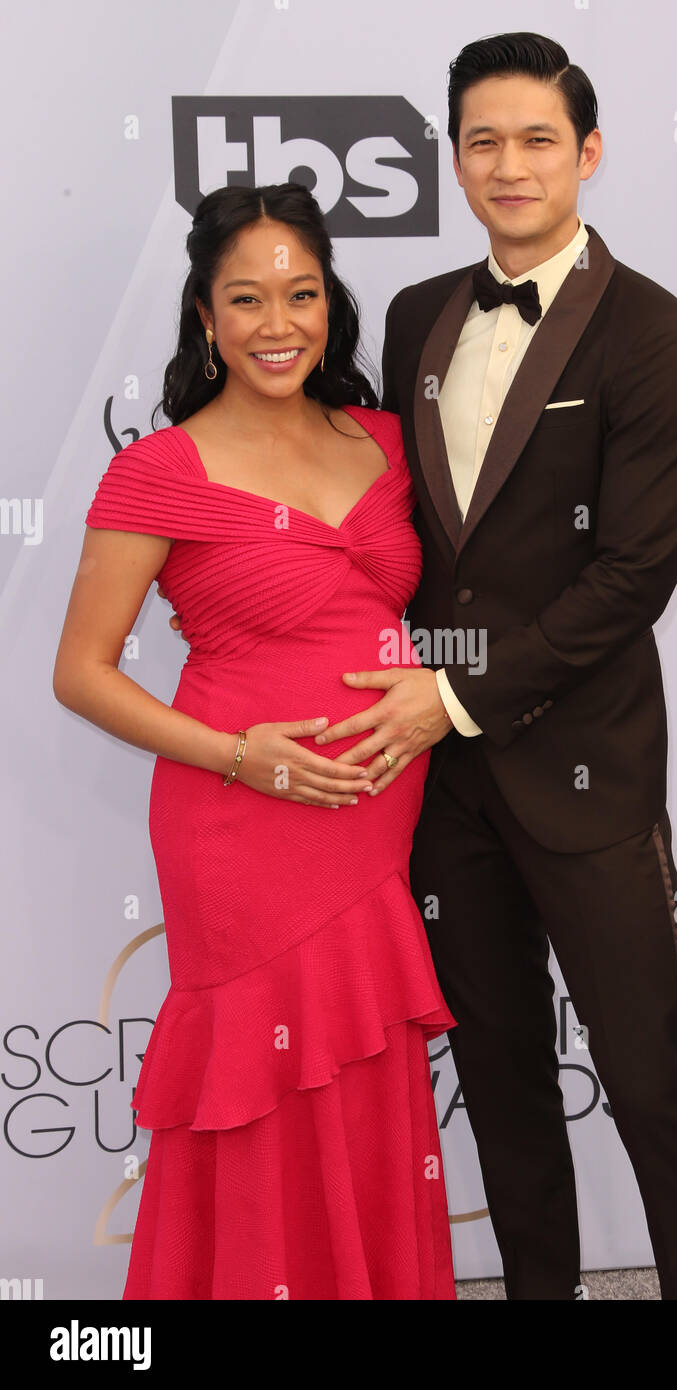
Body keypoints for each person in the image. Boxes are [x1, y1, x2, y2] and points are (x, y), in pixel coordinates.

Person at [303, 32, 677, 1299]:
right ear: (456, 160)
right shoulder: (412, 318)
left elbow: (630, 577)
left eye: (537, 140)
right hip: (443, 793)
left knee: (651, 1083)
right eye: (483, 141)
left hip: (586, 771)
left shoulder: (661, 337)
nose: (509, 166)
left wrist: (449, 693)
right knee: (500, 1079)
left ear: (588, 154)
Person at [52, 182, 457, 1300]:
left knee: (359, 1066)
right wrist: (245, 756)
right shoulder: (158, 470)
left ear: (331, 304)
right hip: (241, 821)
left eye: (301, 294)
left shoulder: (380, 438)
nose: (277, 323)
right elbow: (78, 672)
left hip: (370, 832)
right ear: (204, 316)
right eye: (246, 299)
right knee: (257, 1075)